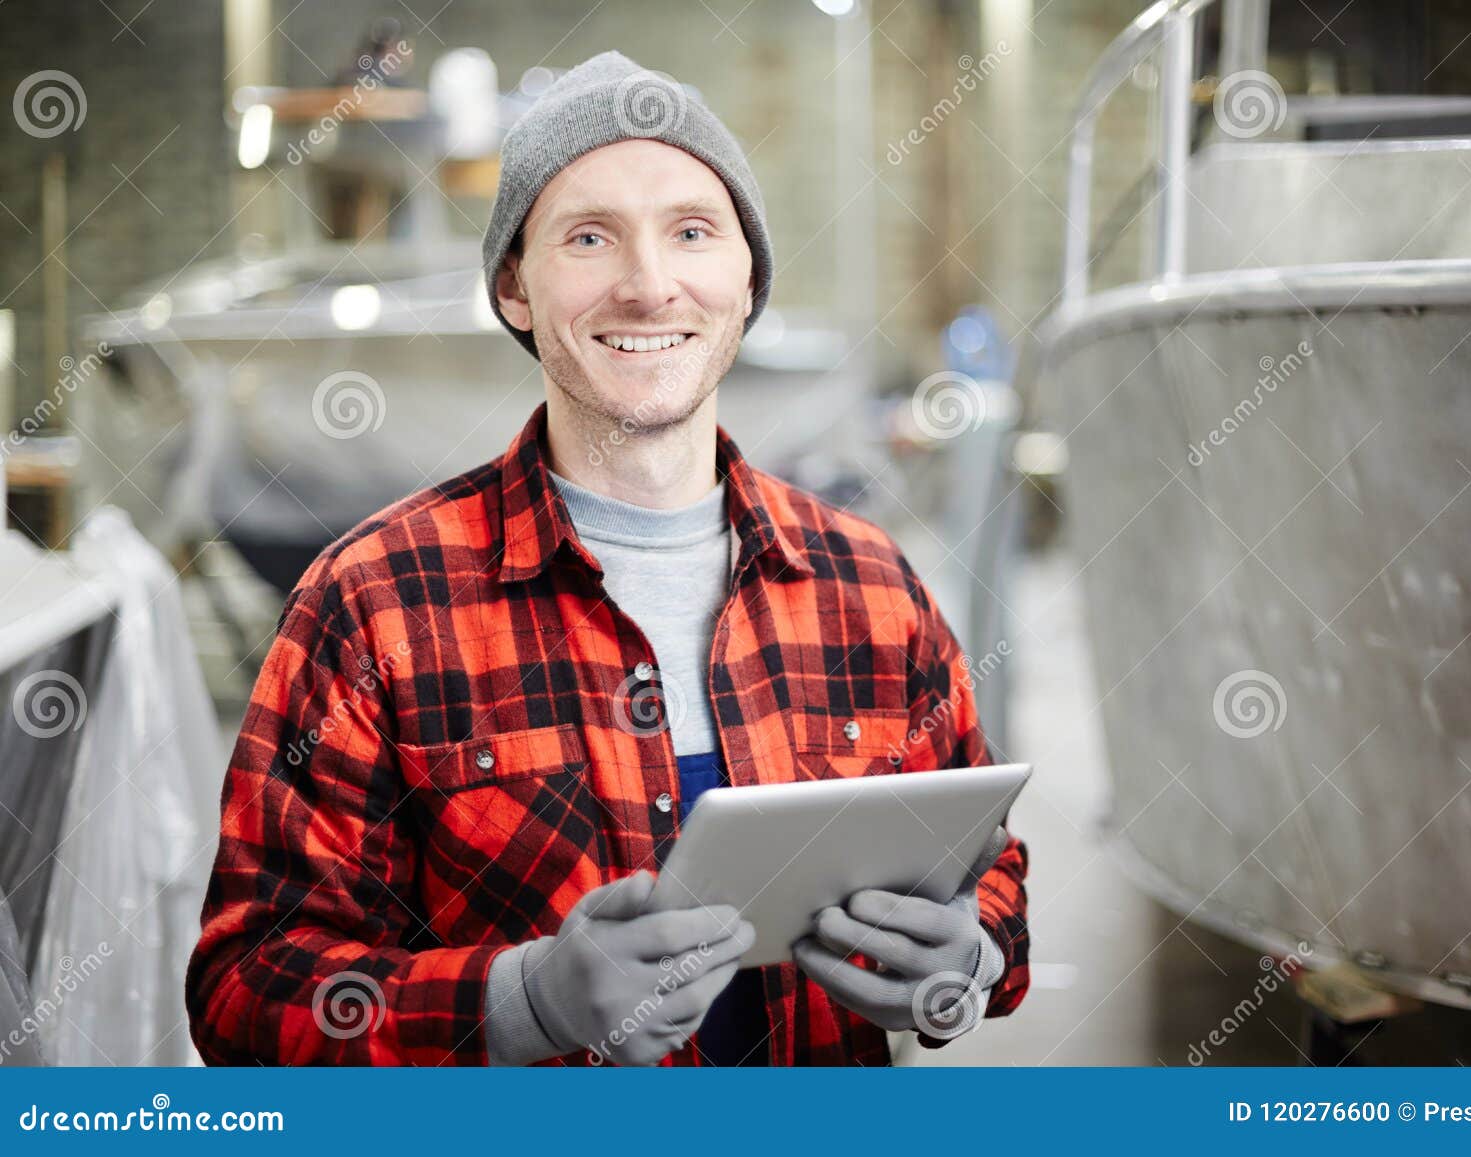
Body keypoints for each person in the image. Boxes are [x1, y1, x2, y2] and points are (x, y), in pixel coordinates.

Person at [185, 50, 1029, 1066]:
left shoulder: (868, 587)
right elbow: (244, 988)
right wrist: (518, 1002)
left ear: (746, 278)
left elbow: (988, 865)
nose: (647, 284)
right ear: (514, 288)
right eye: (589, 237)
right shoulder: (372, 605)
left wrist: (966, 962)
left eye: (691, 232)